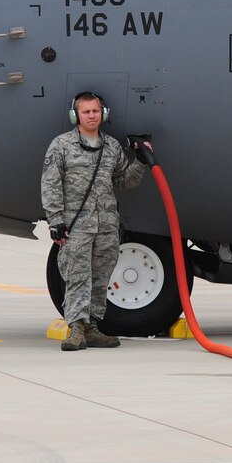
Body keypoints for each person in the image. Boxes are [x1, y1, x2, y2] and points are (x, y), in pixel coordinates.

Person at [41, 92, 152, 351]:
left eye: (95, 111)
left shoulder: (111, 146)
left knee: (100, 278)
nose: (92, 115)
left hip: (106, 227)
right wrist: (55, 220)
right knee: (77, 277)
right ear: (75, 115)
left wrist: (141, 162)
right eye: (86, 112)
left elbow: (125, 181)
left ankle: (92, 326)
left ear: (103, 114)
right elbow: (51, 184)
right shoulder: (61, 145)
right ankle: (76, 329)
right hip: (75, 226)